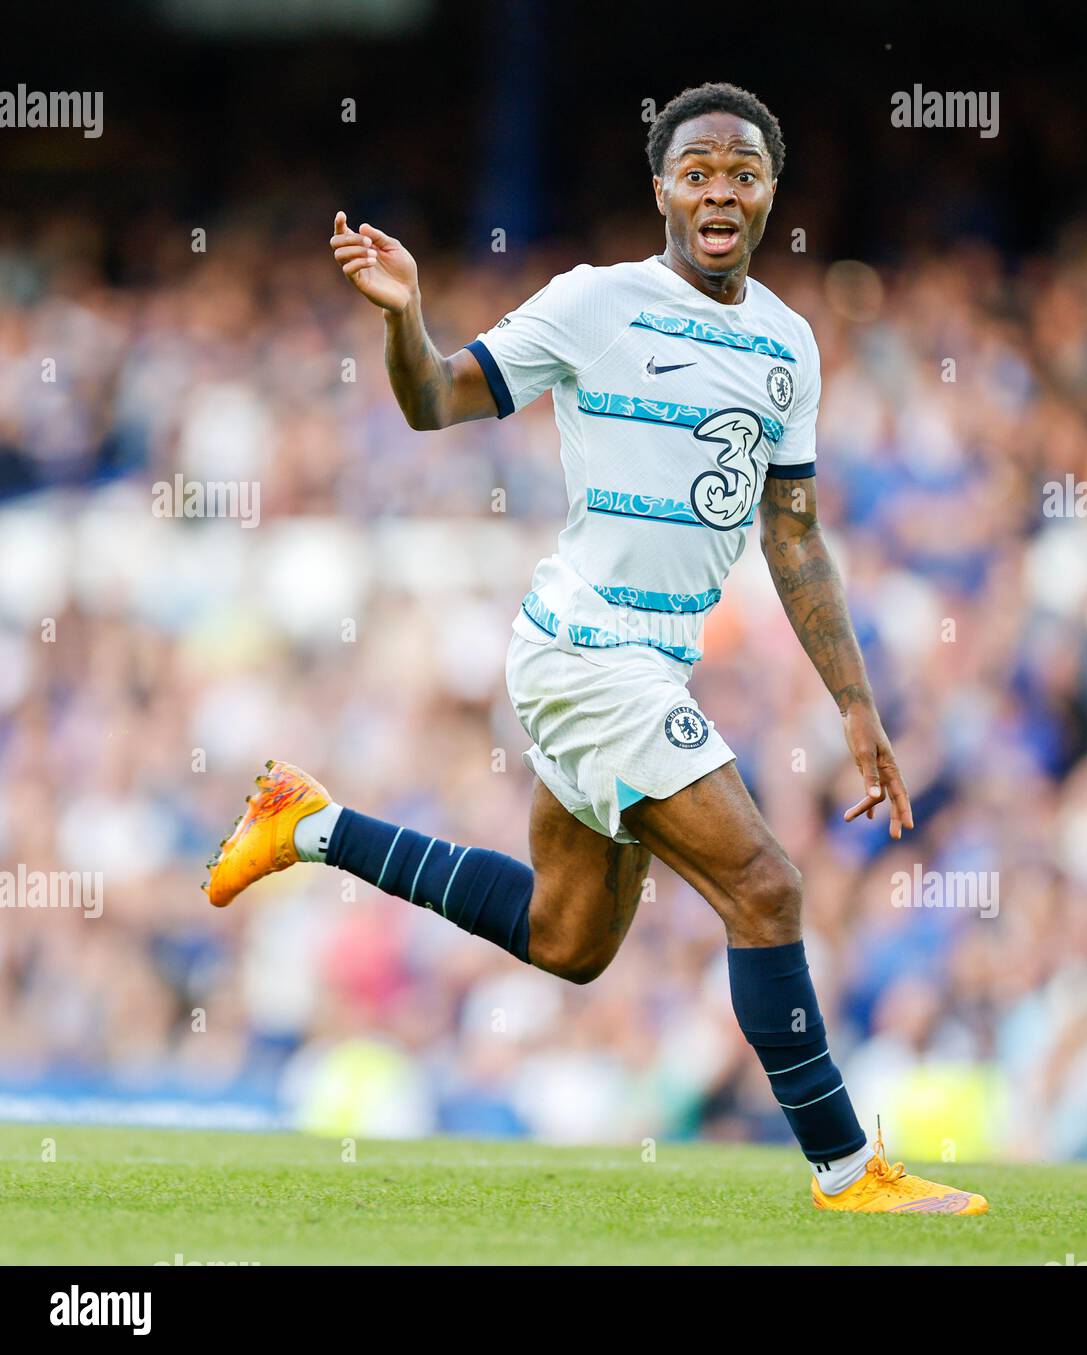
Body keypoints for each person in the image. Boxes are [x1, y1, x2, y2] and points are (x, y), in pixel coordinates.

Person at [204, 82, 987, 1215]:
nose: (720, 188)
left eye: (744, 171)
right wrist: (401, 314)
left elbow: (796, 536)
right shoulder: (595, 303)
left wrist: (856, 708)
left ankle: (308, 821)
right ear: (662, 188)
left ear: (770, 194)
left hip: (644, 663)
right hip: (586, 650)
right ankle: (846, 1167)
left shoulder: (788, 346)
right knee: (764, 886)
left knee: (567, 941)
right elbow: (434, 400)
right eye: (697, 170)